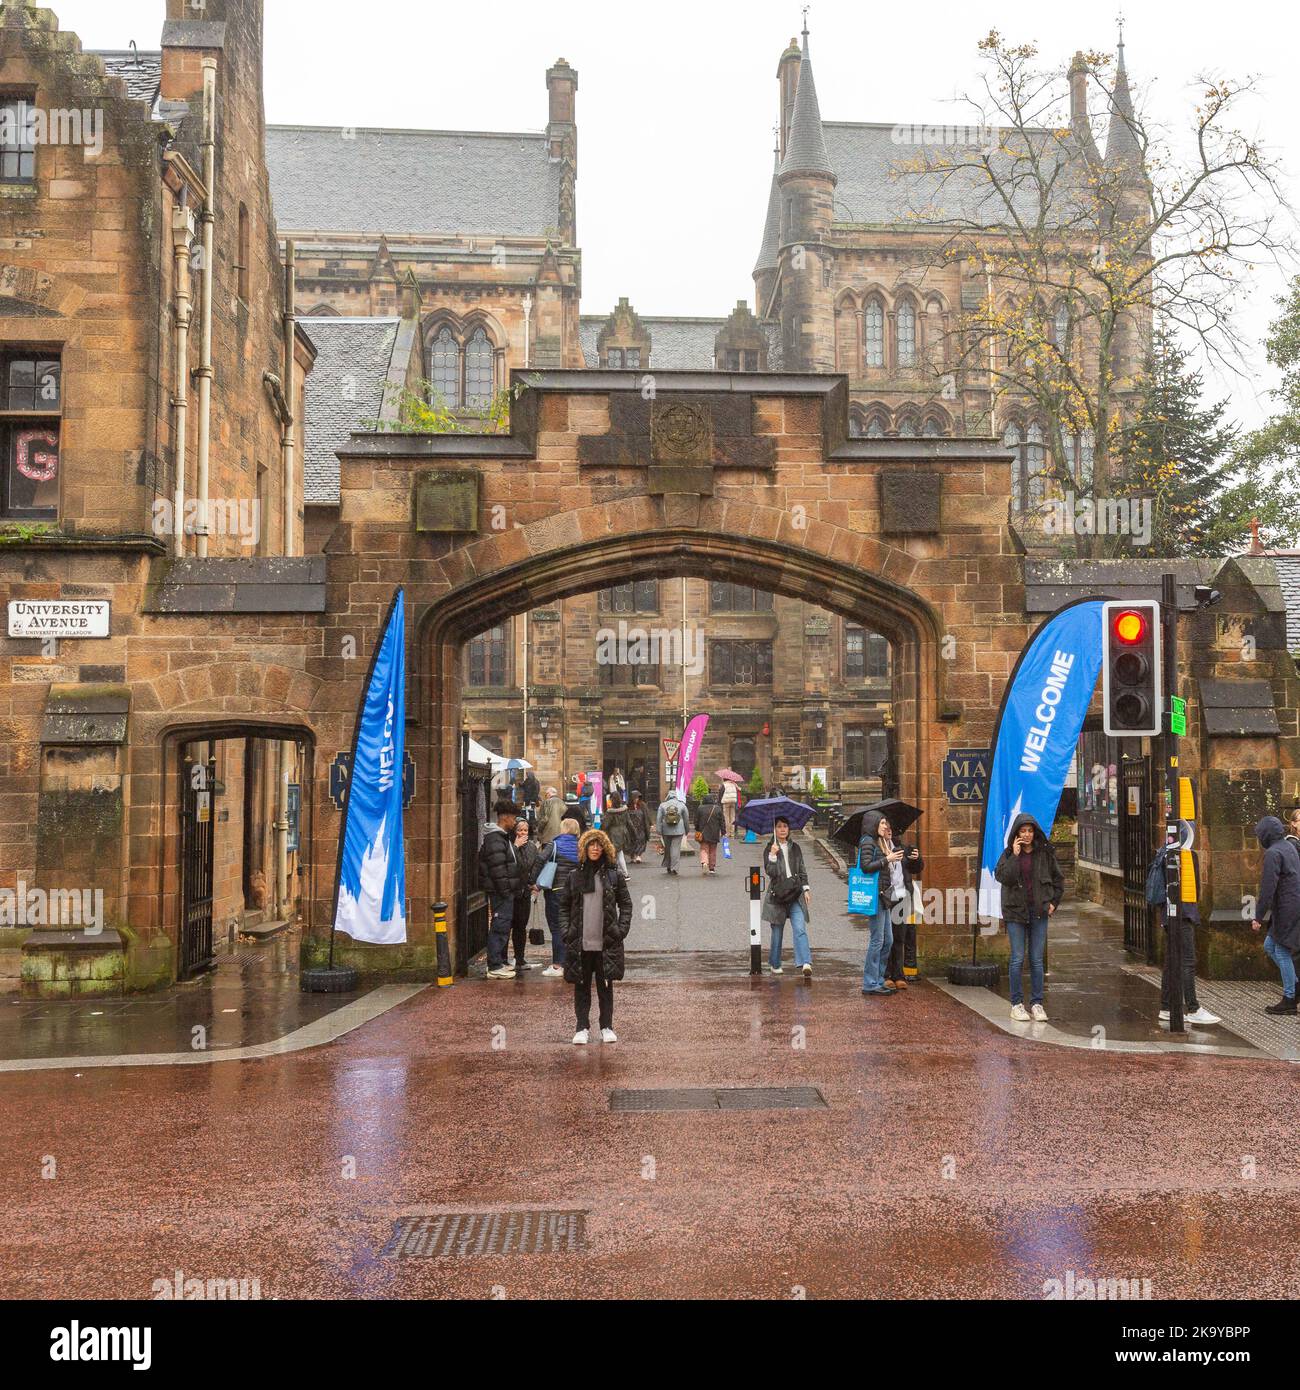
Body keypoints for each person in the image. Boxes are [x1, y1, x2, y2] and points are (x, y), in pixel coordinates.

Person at [560, 828, 633, 1044]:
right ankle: (582, 1027)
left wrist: (621, 930)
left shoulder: (614, 875)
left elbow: (626, 904)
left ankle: (606, 1026)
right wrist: (566, 932)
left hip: (606, 942)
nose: (595, 848)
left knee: (606, 987)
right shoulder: (575, 876)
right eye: (591, 844)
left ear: (605, 848)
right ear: (584, 847)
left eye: (598, 844)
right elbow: (563, 906)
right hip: (581, 942)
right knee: (581, 987)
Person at [994, 813, 1064, 1022]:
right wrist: (1014, 856)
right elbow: (1004, 878)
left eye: (1030, 831)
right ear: (1016, 834)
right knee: (1017, 958)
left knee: (1036, 959)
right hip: (1016, 912)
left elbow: (1058, 880)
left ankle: (1037, 1003)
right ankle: (1016, 1003)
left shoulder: (1044, 854)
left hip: (1039, 911)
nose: (1026, 834)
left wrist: (1053, 903)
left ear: (1035, 833)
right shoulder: (1008, 854)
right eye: (1023, 831)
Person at [477, 797, 538, 979]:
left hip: (506, 891)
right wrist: (506, 891)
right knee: (499, 927)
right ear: (506, 817)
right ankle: (495, 965)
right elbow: (498, 869)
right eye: (513, 818)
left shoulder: (501, 838)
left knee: (502, 927)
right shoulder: (496, 839)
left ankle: (499, 962)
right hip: (502, 892)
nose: (514, 822)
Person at [857, 810, 913, 997]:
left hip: (884, 896)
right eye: (882, 823)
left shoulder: (878, 843)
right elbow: (865, 867)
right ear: (873, 824)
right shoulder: (867, 842)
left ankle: (879, 979)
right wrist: (886, 859)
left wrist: (891, 857)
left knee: (887, 940)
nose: (885, 826)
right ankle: (870, 982)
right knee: (877, 940)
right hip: (875, 896)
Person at [1250, 815, 1300, 1015]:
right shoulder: (1288, 847)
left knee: (1281, 951)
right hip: (1292, 905)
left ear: (1265, 835)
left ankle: (1289, 998)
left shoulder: (1273, 853)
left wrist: (1258, 916)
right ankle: (1295, 985)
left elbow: (1268, 888)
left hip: (1287, 908)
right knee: (1270, 946)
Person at [763, 813, 812, 977]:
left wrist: (806, 889)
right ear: (774, 830)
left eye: (785, 826)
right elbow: (771, 873)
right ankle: (775, 963)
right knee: (777, 931)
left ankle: (805, 962)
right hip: (778, 895)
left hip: (795, 893)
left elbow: (802, 869)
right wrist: (773, 856)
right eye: (779, 826)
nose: (782, 829)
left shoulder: (795, 847)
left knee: (800, 928)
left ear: (789, 829)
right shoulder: (770, 848)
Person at [536, 816, 581, 978]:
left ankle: (557, 965)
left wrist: (534, 882)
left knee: (557, 927)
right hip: (576, 892)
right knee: (574, 926)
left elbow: (540, 860)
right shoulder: (581, 846)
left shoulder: (554, 844)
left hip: (555, 890)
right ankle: (574, 961)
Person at [884, 825, 923, 990]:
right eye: (885, 827)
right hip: (885, 897)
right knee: (886, 938)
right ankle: (885, 975)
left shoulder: (903, 849)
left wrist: (916, 858)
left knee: (899, 938)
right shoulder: (877, 849)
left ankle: (898, 975)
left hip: (902, 897)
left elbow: (917, 868)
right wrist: (887, 858)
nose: (889, 830)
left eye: (891, 828)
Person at [656, 787, 690, 875]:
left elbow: (658, 819)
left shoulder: (662, 805)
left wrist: (659, 830)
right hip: (679, 830)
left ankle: (668, 866)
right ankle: (674, 867)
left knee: (667, 848)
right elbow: (686, 819)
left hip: (666, 830)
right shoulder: (682, 805)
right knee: (675, 848)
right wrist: (687, 830)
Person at [696, 790, 725, 874]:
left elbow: (696, 820)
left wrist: (697, 829)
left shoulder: (700, 808)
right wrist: (723, 832)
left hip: (703, 833)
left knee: (704, 849)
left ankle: (705, 862)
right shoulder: (717, 808)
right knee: (713, 850)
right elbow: (722, 822)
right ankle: (711, 868)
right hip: (714, 833)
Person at [604, 791, 630, 875]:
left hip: (613, 834)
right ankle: (622, 873)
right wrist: (634, 833)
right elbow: (629, 822)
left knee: (615, 854)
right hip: (623, 832)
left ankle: (623, 873)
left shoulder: (610, 812)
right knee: (619, 853)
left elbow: (605, 825)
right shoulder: (624, 810)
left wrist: (599, 832)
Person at [626, 790, 650, 863]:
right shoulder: (628, 806)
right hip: (631, 827)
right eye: (635, 798)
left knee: (641, 841)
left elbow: (647, 815)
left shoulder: (643, 805)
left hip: (641, 826)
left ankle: (639, 855)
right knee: (632, 842)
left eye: (637, 798)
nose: (636, 800)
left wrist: (650, 824)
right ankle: (633, 856)